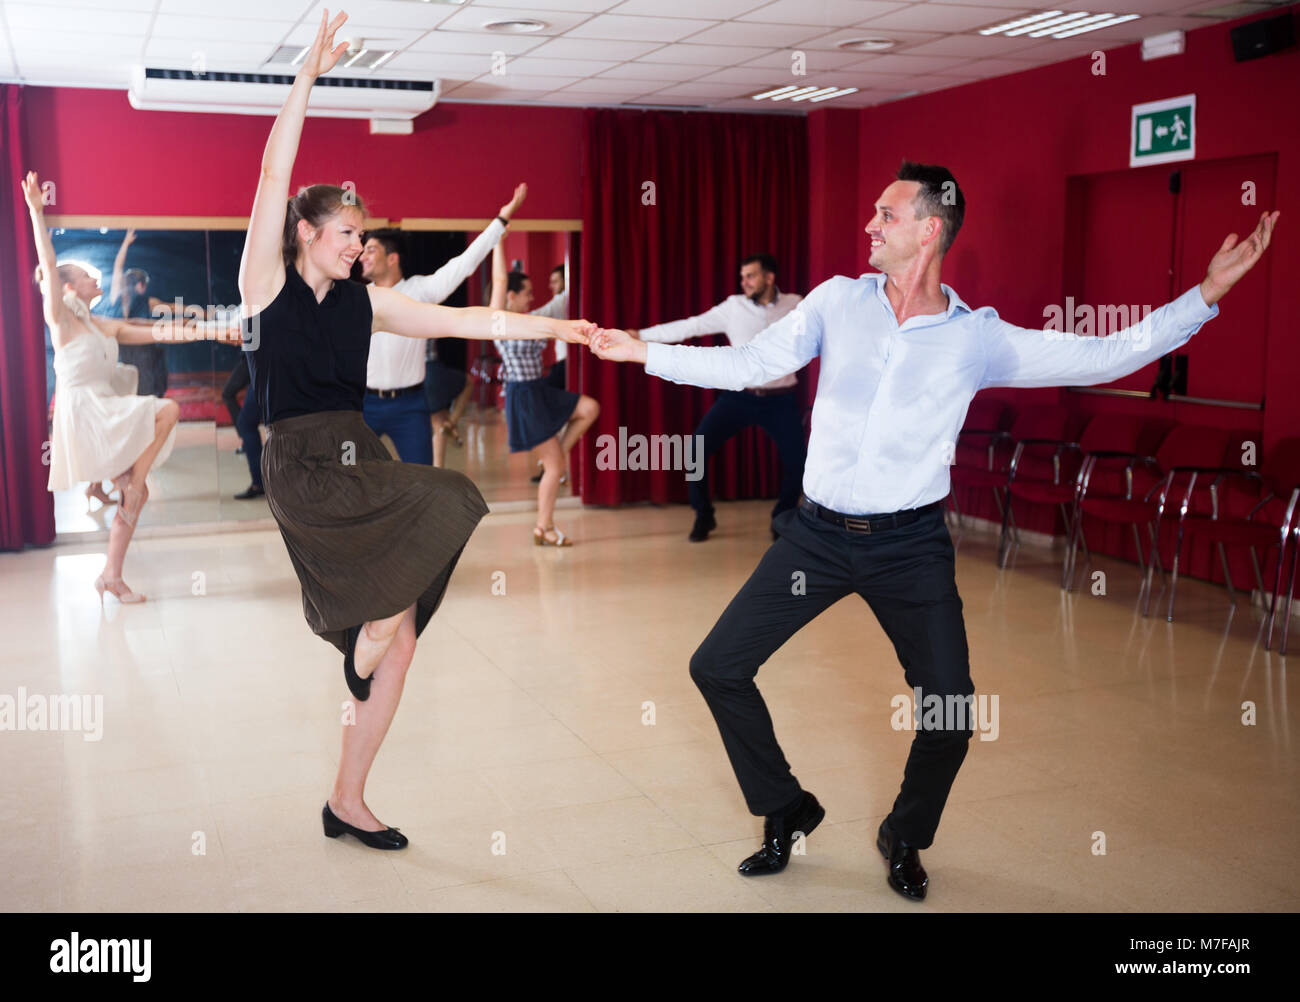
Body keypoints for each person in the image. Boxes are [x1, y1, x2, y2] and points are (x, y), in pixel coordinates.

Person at [592, 161, 1279, 900]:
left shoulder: (975, 340)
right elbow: (755, 362)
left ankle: (904, 834)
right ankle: (785, 808)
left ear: (930, 228)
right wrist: (642, 354)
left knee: (951, 712)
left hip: (908, 549)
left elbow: (1105, 353)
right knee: (718, 665)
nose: (869, 226)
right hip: (815, 538)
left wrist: (1203, 298)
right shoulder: (835, 302)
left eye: (885, 215)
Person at [238, 9, 592, 851]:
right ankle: (361, 640)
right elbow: (268, 170)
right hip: (299, 464)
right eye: (349, 231)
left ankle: (348, 799)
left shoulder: (370, 302)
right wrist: (308, 76)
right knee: (432, 522)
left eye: (364, 234)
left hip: (358, 453)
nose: (362, 244)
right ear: (306, 234)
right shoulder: (264, 285)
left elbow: (470, 325)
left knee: (399, 642)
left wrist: (561, 331)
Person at [24, 171, 238, 603]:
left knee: (135, 491)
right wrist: (35, 211)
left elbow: (155, 333)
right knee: (167, 411)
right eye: (85, 276)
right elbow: (47, 266)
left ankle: (112, 573)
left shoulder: (99, 323)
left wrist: (211, 330)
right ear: (67, 288)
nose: (94, 279)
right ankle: (133, 483)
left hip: (104, 408)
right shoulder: (61, 320)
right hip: (85, 415)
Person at [628, 255, 806, 542]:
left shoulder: (796, 305)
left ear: (769, 278)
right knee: (694, 453)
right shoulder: (732, 307)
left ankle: (781, 517)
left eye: (750, 276)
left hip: (780, 399)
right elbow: (690, 326)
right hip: (739, 397)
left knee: (798, 464)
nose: (744, 282)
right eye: (742, 277)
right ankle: (704, 515)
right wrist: (640, 336)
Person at [359, 184, 528, 466]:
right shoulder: (359, 297)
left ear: (392, 258)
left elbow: (463, 265)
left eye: (370, 250)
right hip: (365, 405)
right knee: (350, 477)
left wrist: (501, 221)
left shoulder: (420, 290)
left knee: (424, 481)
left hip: (409, 405)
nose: (362, 255)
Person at [492, 240, 599, 546]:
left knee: (589, 408)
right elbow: (500, 281)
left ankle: (556, 458)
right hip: (523, 397)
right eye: (526, 292)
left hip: (539, 389)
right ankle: (544, 527)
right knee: (554, 468)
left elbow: (563, 298)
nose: (532, 296)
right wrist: (499, 240)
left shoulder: (536, 317)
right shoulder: (497, 322)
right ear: (511, 296)